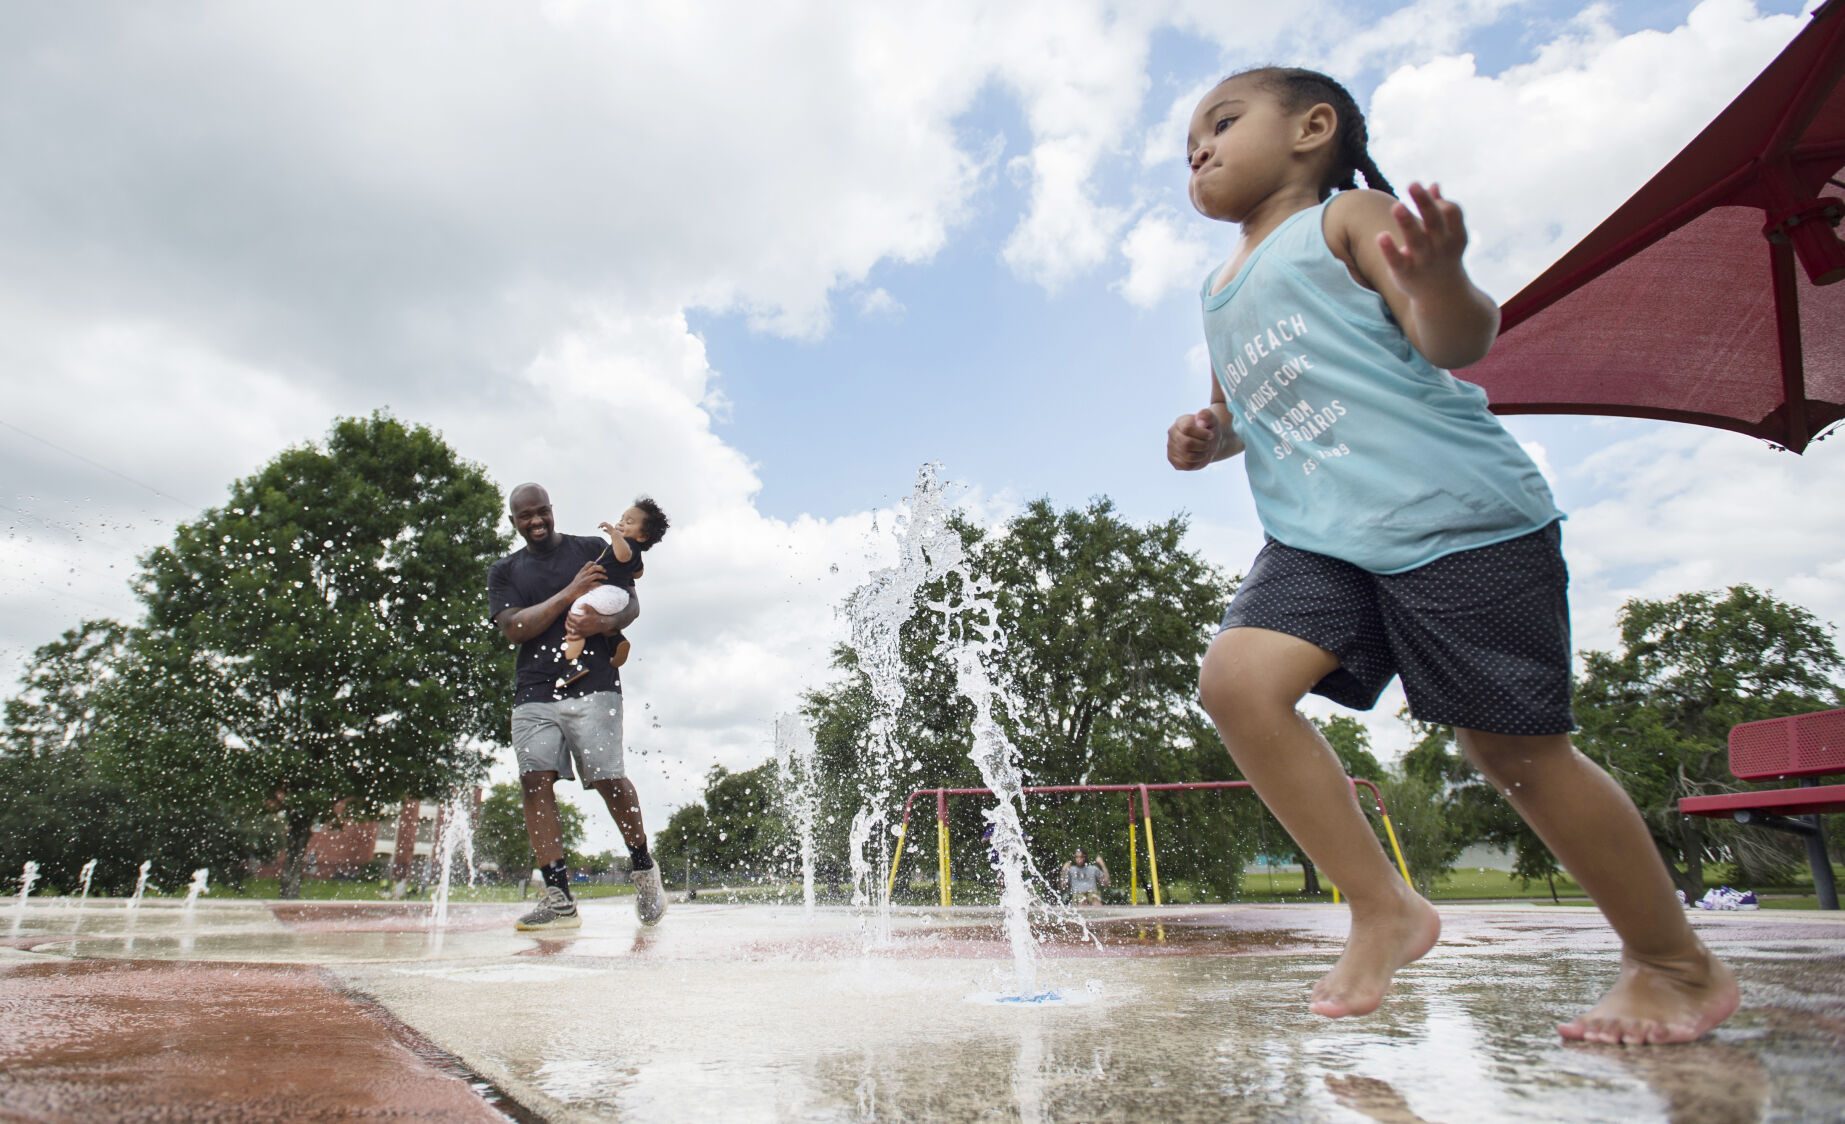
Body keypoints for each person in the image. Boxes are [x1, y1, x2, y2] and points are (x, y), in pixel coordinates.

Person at [1165, 67, 1736, 1044]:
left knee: (1513, 751)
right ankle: (1384, 903)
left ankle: (1673, 962)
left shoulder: (1352, 220)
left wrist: (1437, 280)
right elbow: (1245, 409)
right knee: (1237, 680)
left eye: (1221, 123)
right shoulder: (1218, 287)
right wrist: (1209, 434)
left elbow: (1456, 337)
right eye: (1189, 146)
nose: (1200, 149)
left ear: (1313, 127)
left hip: (1458, 518)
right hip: (1320, 535)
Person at [488, 482, 669, 931]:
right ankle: (558, 898)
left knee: (609, 779)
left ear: (551, 510)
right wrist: (569, 594)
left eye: (541, 512)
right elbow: (515, 628)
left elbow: (631, 602)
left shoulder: (591, 548)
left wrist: (604, 621)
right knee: (534, 782)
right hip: (533, 689)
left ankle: (644, 868)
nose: (535, 521)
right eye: (525, 516)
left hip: (594, 684)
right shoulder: (505, 571)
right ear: (514, 522)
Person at [558, 498, 669, 670]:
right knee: (595, 614)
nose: (622, 523)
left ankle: (573, 665)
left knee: (577, 612)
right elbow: (638, 573)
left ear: (642, 536)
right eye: (622, 519)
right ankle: (616, 641)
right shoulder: (636, 552)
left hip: (609, 592)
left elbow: (623, 555)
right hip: (618, 596)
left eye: (629, 522)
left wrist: (615, 535)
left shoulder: (627, 545)